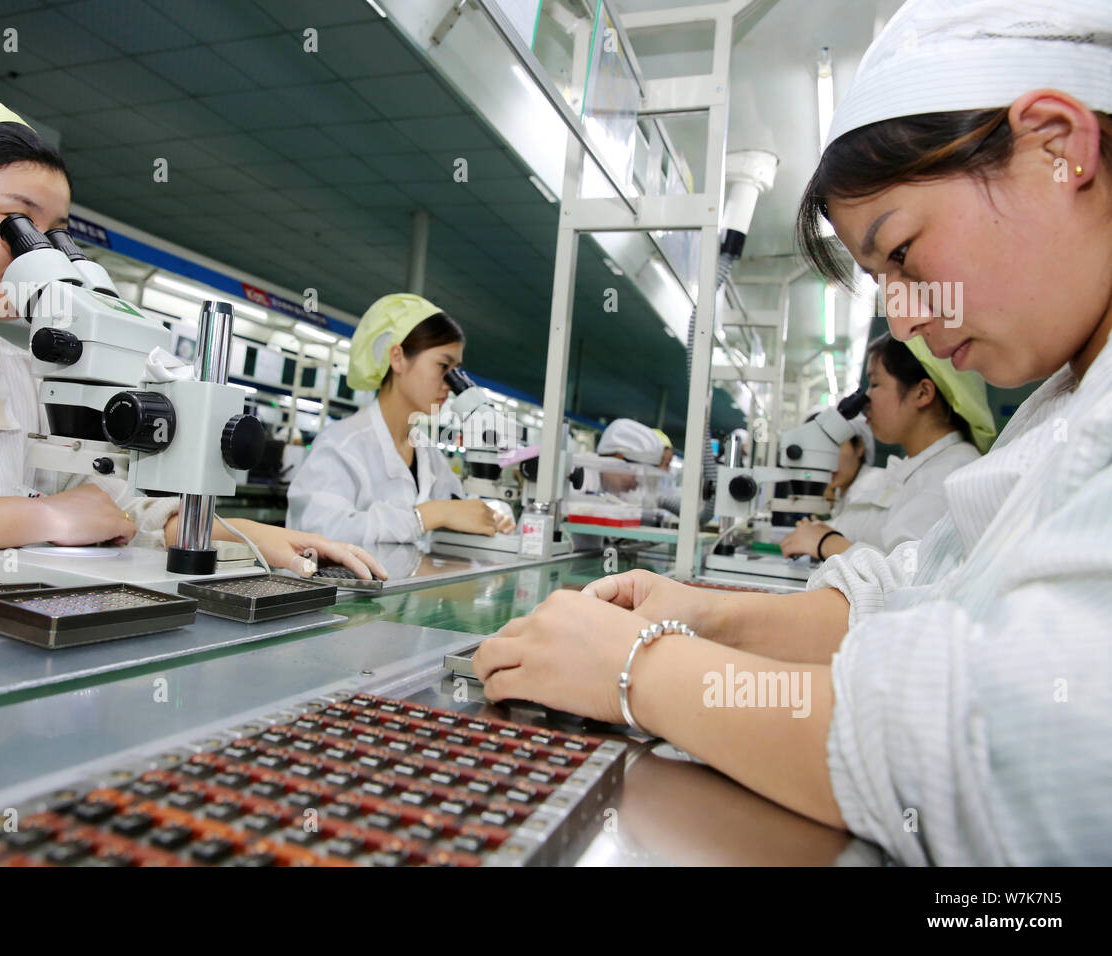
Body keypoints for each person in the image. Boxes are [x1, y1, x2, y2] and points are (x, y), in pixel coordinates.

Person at [472, 0, 1112, 864]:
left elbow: (1024, 751)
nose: (907, 317)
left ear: (1057, 145)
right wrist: (708, 618)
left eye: (903, 252)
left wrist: (645, 673)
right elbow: (921, 594)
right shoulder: (1065, 405)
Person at [0, 78, 384, 582]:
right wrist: (40, 515)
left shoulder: (29, 377)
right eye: (16, 224)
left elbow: (108, 502)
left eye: (55, 235)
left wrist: (224, 531)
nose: (41, 255)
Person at [286, 293, 515, 545]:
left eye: (456, 372)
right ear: (397, 358)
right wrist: (425, 517)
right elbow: (317, 532)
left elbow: (458, 506)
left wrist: (492, 512)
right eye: (442, 367)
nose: (450, 385)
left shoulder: (429, 455)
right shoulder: (341, 444)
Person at [781, 332, 993, 559]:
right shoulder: (919, 467)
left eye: (875, 384)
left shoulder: (951, 472)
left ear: (923, 393)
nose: (865, 400)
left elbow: (909, 576)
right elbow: (878, 539)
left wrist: (826, 542)